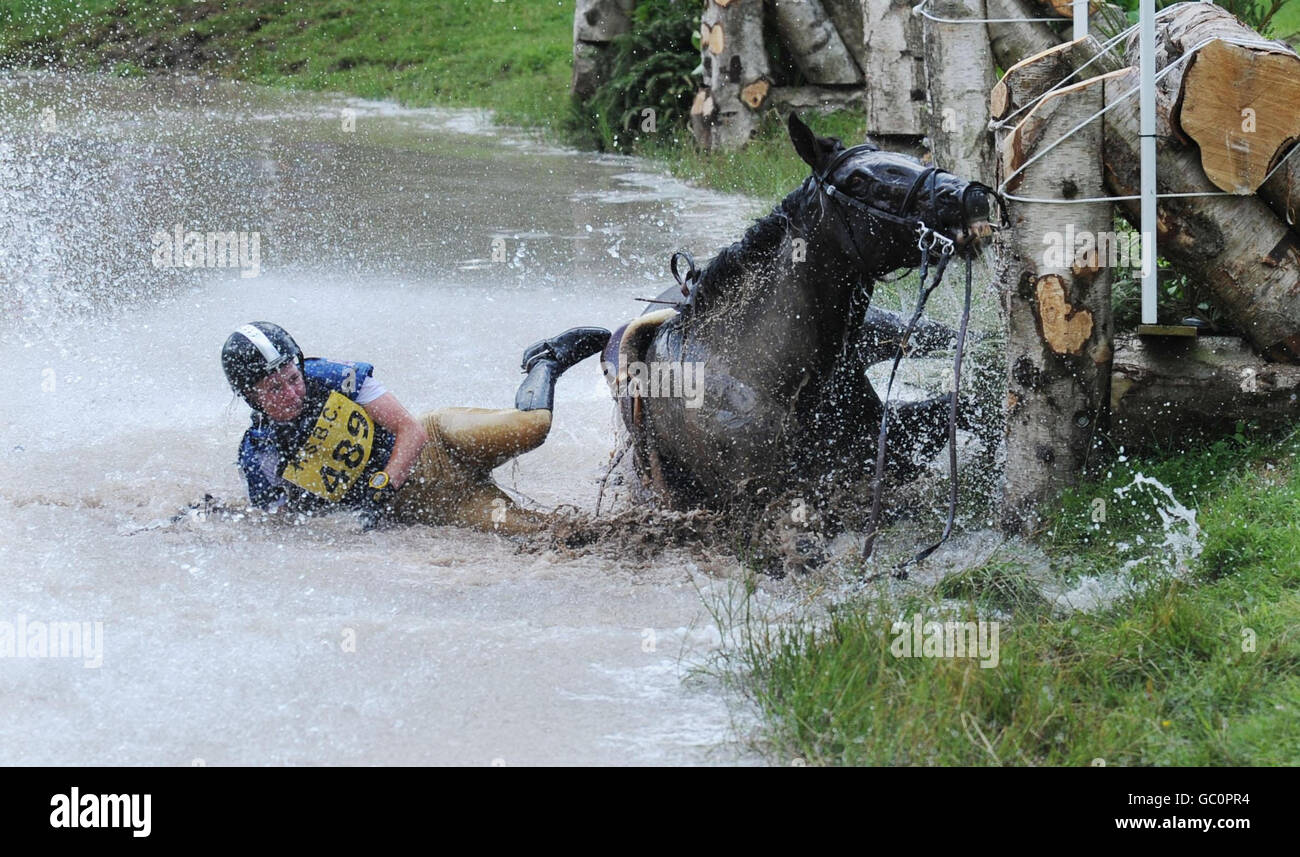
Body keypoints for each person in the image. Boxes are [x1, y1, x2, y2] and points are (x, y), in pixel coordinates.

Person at [221, 322, 609, 533]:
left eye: (292, 377)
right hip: (429, 503)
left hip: (440, 440)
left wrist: (385, 482)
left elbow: (410, 431)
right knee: (548, 534)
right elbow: (282, 525)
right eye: (274, 388)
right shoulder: (260, 456)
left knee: (534, 427)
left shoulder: (332, 376)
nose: (291, 392)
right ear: (250, 396)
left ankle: (545, 361)